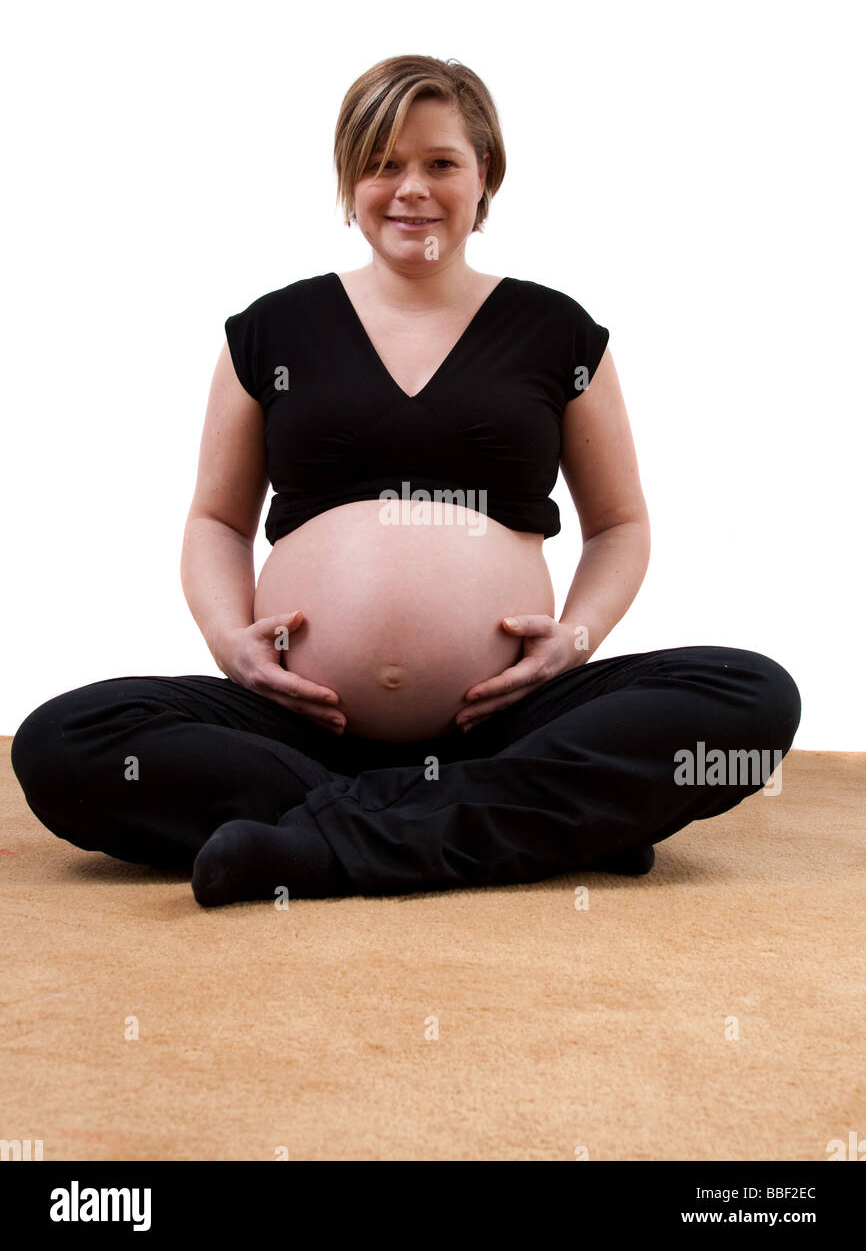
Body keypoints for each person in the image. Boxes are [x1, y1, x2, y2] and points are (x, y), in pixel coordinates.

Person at [10, 54, 801, 907]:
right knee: (64, 742)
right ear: (351, 177)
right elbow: (215, 521)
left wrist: (574, 639)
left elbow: (619, 525)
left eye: (440, 163)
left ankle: (324, 840)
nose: (410, 189)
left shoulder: (560, 333)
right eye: (382, 163)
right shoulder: (270, 331)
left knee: (751, 698)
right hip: (304, 729)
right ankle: (537, 823)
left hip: (505, 723)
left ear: (484, 173)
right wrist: (227, 638)